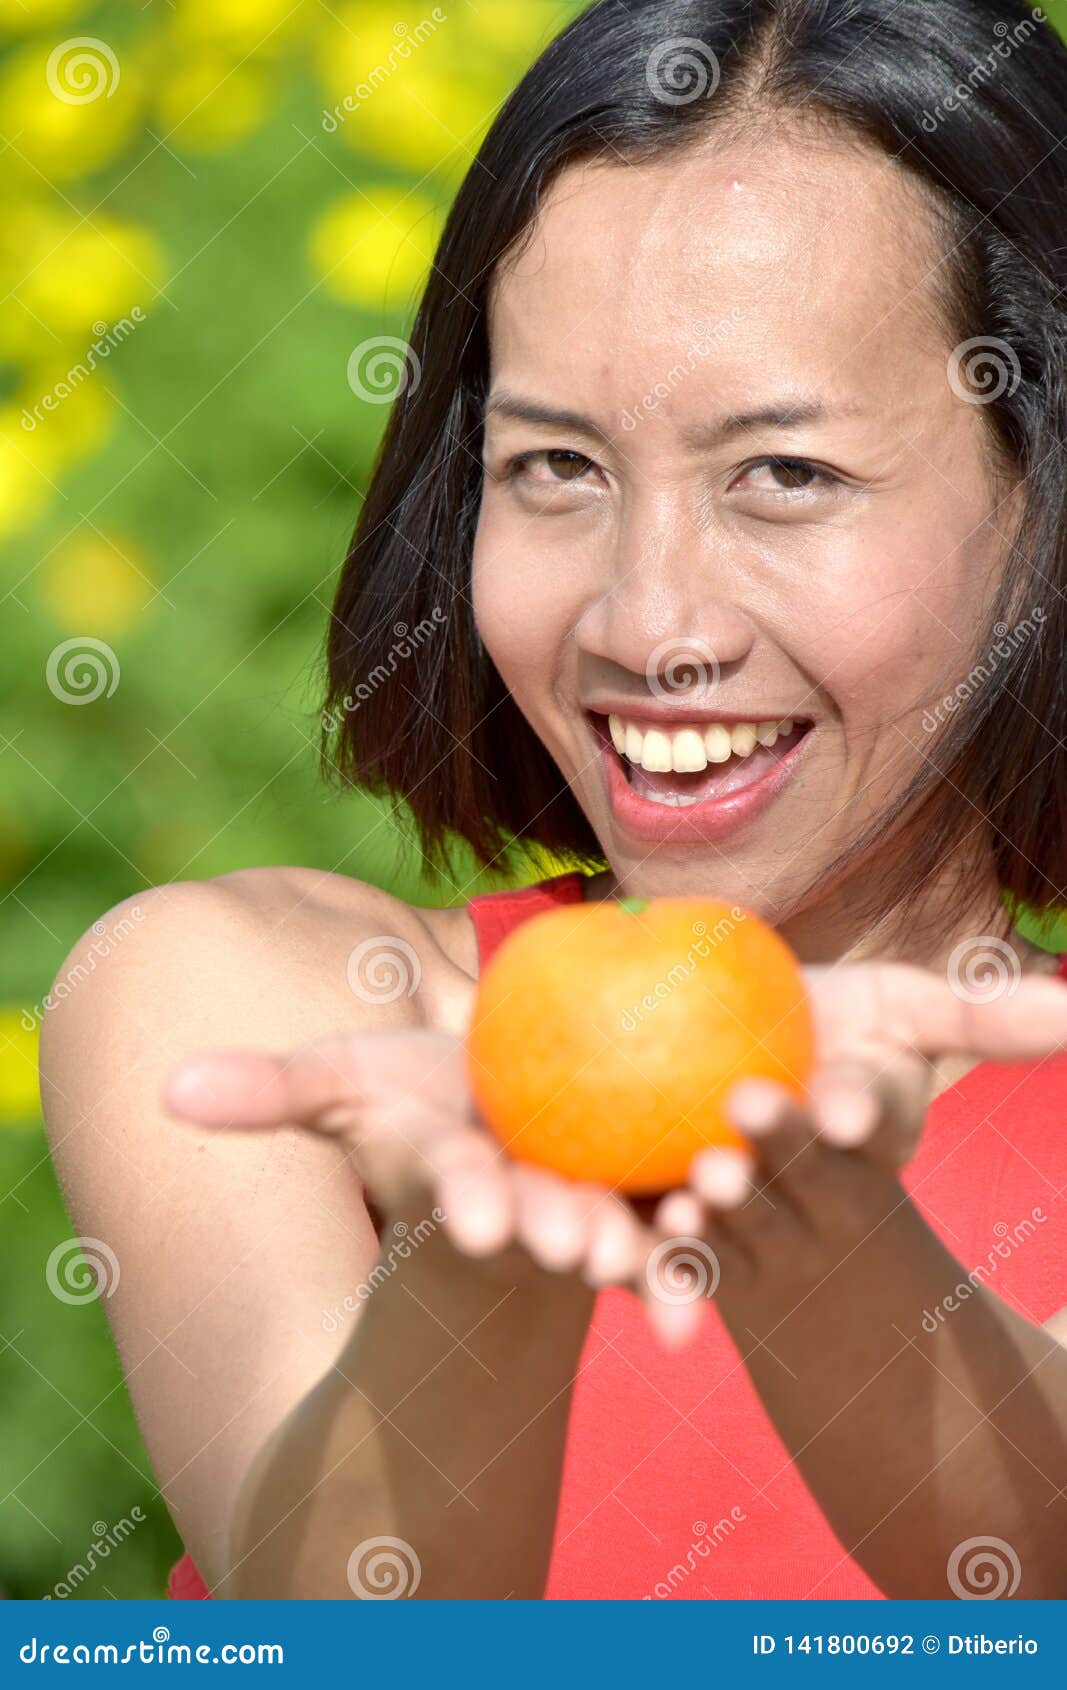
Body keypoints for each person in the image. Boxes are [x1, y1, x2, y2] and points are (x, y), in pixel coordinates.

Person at [40, 0, 1067, 1601]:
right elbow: (339, 1635)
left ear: (1042, 505)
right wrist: (484, 1269)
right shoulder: (252, 1008)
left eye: (783, 474)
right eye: (555, 469)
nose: (650, 625)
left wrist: (832, 1253)